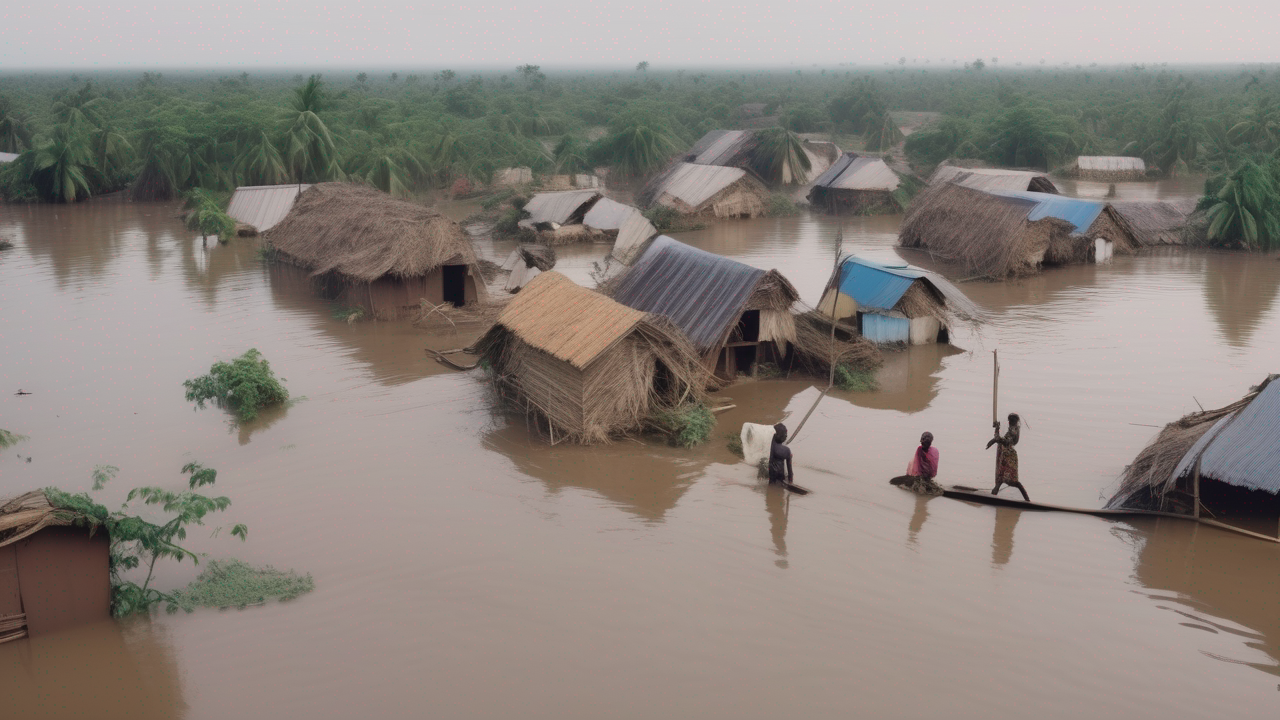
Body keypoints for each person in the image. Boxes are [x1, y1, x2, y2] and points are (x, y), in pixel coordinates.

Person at [987, 413, 1029, 501]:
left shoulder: (1013, 430)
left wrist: (995, 437)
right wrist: (997, 431)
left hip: (1009, 457)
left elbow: (1005, 442)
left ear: (1010, 422)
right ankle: (993, 496)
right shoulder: (1014, 429)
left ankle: (1027, 500)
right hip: (1007, 456)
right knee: (1001, 478)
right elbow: (1002, 440)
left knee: (1012, 481)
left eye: (1009, 421)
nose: (1009, 423)